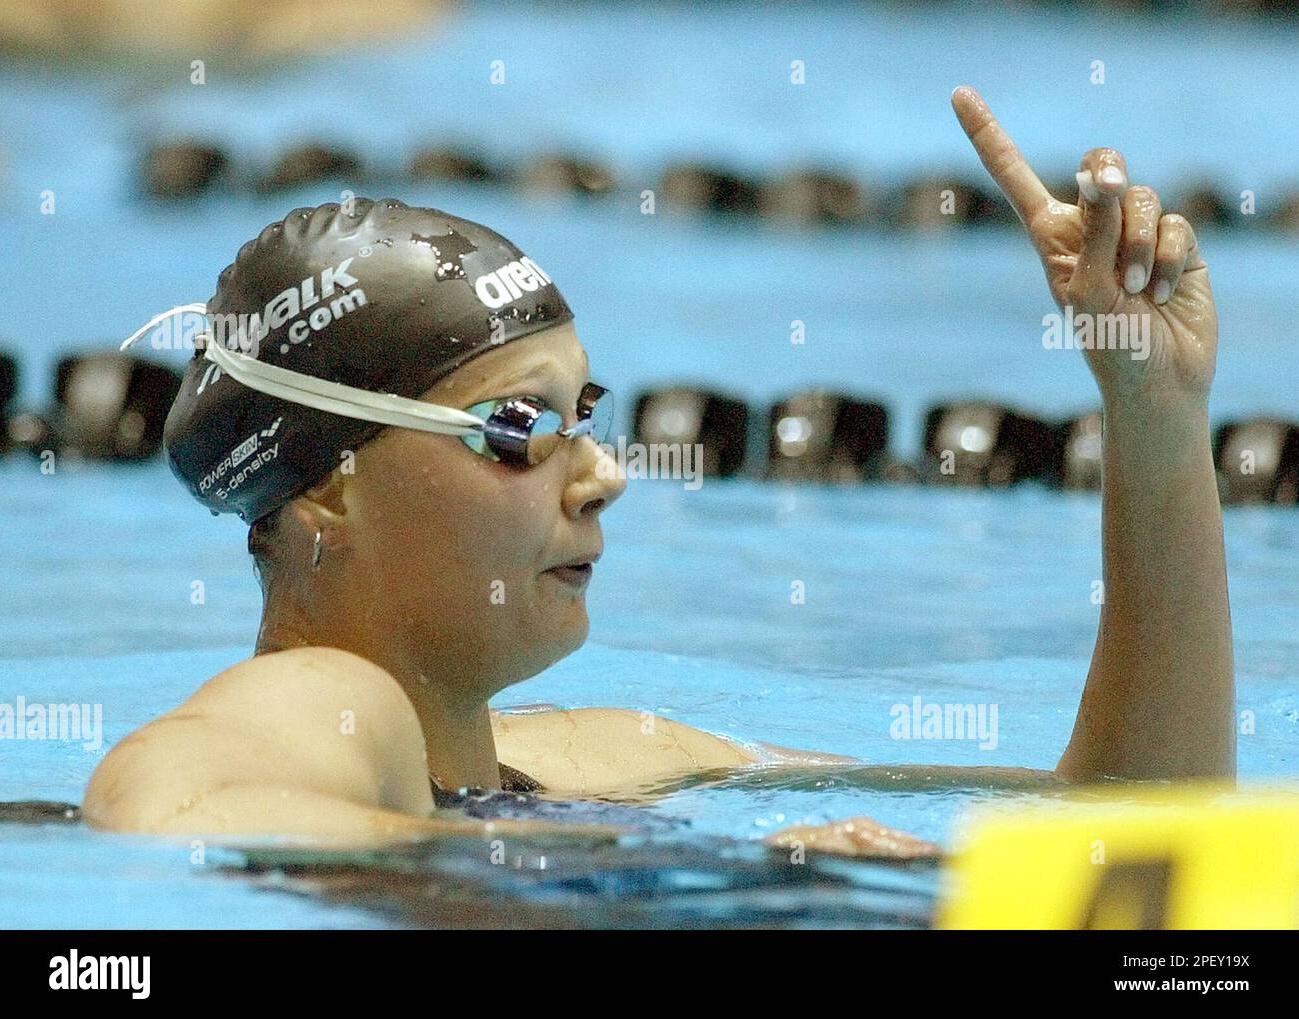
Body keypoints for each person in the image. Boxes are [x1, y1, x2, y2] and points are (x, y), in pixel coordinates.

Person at [84, 86, 1233, 856]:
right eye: (518, 424)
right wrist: (683, 880)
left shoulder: (600, 757)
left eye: (584, 413)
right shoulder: (325, 701)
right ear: (329, 483)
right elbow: (158, 808)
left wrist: (1155, 408)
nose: (602, 473)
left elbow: (1131, 819)